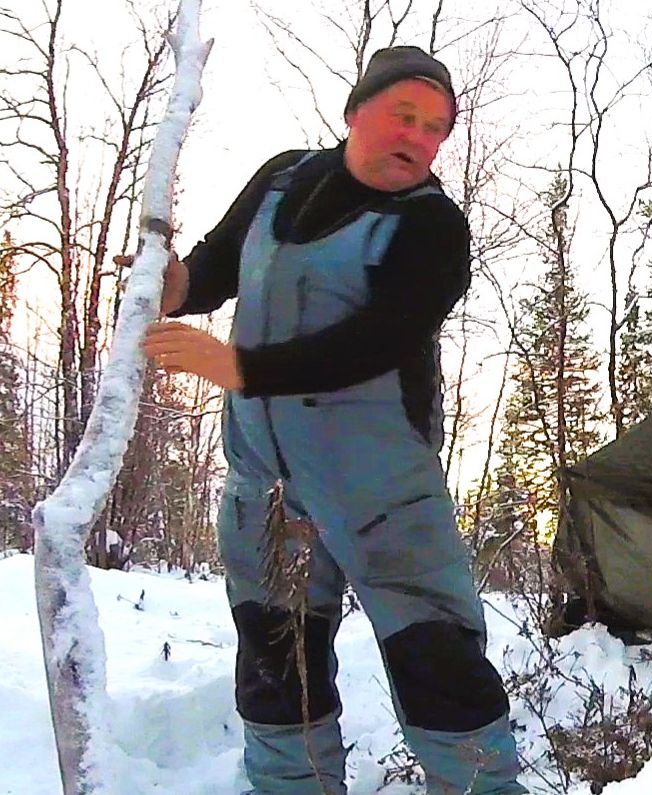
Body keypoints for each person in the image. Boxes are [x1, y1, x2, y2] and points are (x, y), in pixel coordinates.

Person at [135, 45, 526, 795]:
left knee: (437, 660)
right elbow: (212, 271)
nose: (418, 137)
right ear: (355, 113)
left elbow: (371, 344)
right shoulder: (283, 181)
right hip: (269, 488)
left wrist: (241, 369)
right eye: (402, 115)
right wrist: (167, 281)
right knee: (278, 664)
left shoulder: (434, 227)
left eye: (437, 127)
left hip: (384, 492)